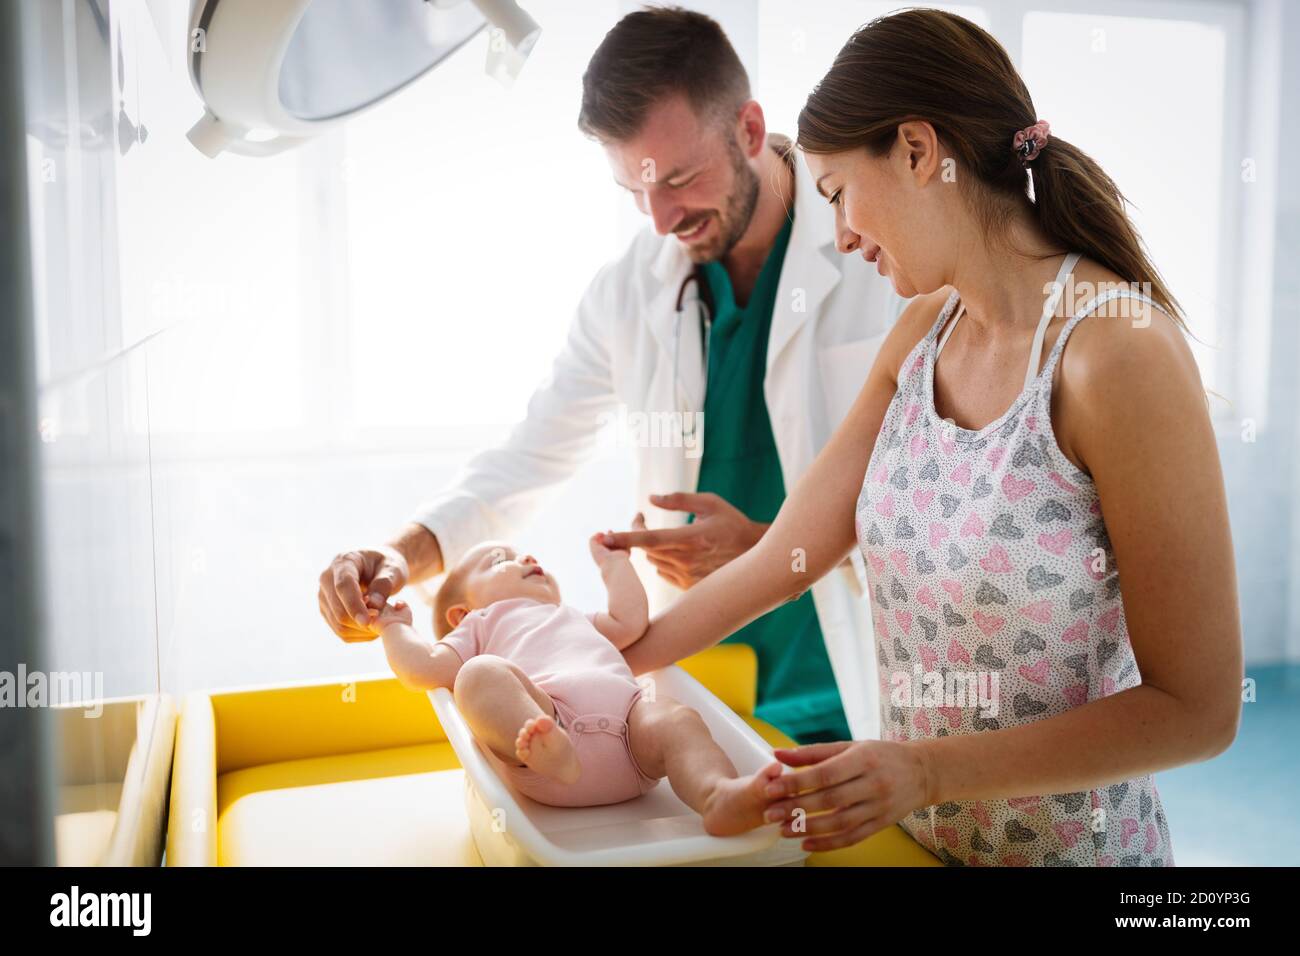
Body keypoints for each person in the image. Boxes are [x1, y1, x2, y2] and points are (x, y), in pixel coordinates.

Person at [619, 8, 1242, 864]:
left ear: (917, 151)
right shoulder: (922, 333)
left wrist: (924, 770)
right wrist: (607, 654)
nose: (838, 235)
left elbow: (1198, 710)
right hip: (922, 846)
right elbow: (789, 557)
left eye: (838, 193)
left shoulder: (1116, 355)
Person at [317, 7, 900, 746]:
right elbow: (528, 459)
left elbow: (944, 496)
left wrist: (769, 546)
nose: (660, 220)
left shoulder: (878, 251)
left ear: (750, 130)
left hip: (855, 682)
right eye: (635, 192)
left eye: (680, 180)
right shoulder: (630, 292)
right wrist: (400, 556)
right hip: (695, 692)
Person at [370, 538, 782, 832]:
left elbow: (631, 619)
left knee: (675, 718)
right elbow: (421, 668)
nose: (526, 557)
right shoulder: (480, 625)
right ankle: (549, 748)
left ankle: (718, 794)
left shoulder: (577, 617)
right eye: (500, 560)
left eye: (522, 553)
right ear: (461, 613)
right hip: (544, 731)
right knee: (476, 675)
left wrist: (614, 563)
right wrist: (393, 627)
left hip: (632, 736)